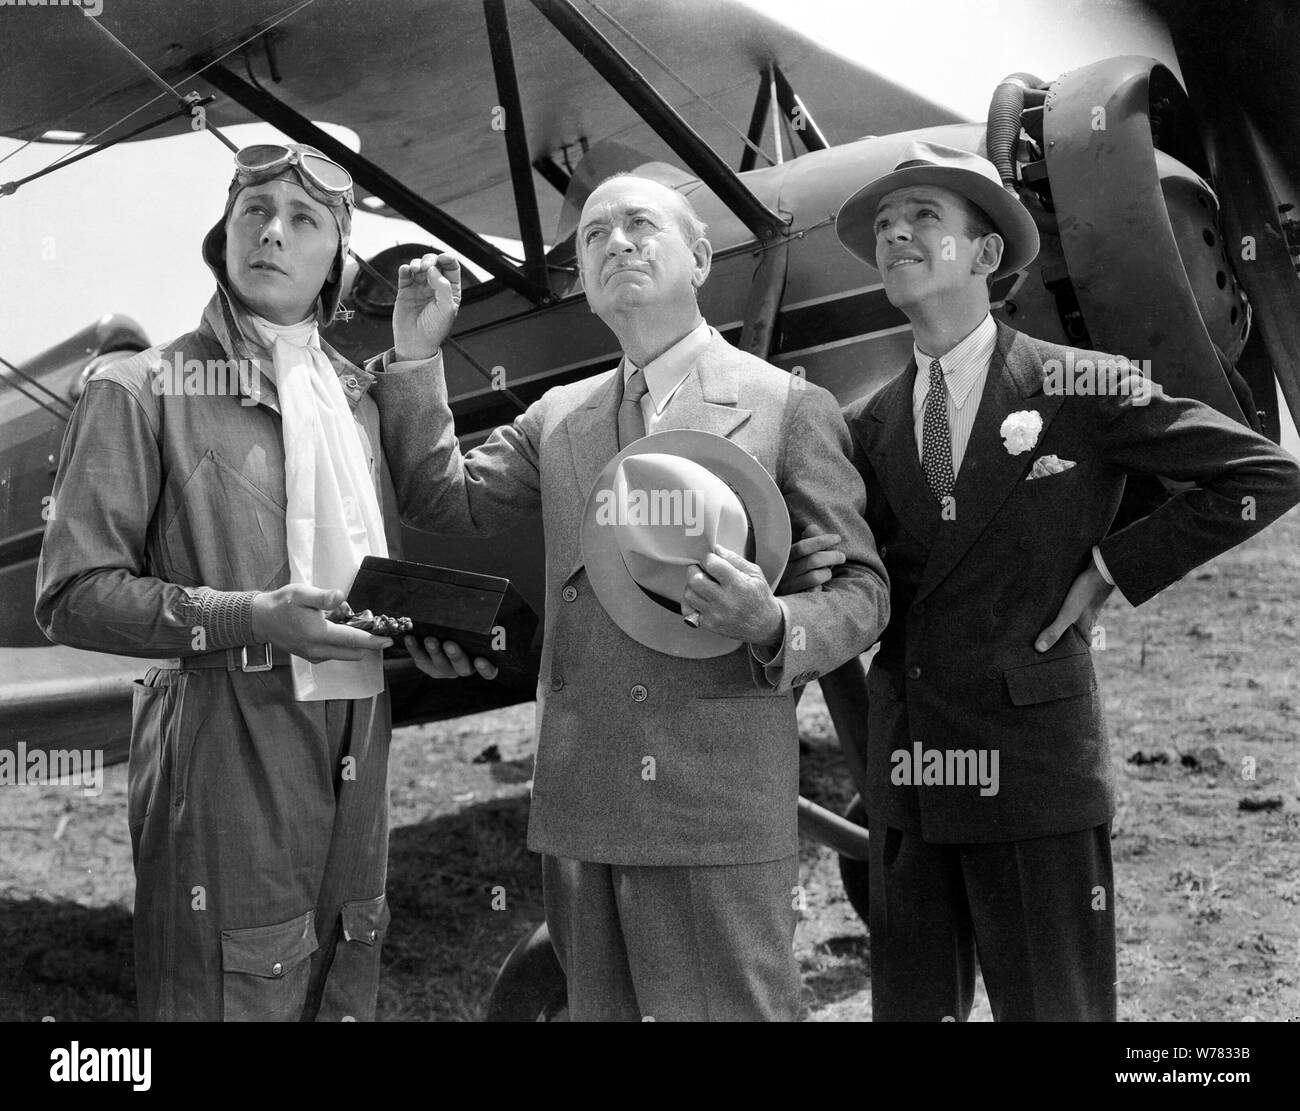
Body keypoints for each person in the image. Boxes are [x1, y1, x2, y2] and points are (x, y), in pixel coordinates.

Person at [369, 173, 890, 1020]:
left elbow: (865, 591)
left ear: (700, 256)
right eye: (594, 236)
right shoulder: (557, 417)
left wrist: (775, 622)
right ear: (582, 279)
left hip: (714, 805)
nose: (616, 242)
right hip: (581, 806)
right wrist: (417, 353)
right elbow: (444, 497)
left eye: (641, 224)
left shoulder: (790, 406)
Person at [803, 140, 1300, 1020]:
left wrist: (1112, 566)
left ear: (986, 254)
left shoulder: (1080, 384)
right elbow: (853, 572)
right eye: (884, 224)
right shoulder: (864, 426)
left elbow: (1266, 476)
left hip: (1032, 774)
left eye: (924, 217)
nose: (896, 236)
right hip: (910, 778)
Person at [35, 143, 490, 1021]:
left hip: (360, 728)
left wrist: (420, 639)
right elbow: (72, 593)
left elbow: (387, 556)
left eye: (303, 219)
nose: (273, 232)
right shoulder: (140, 389)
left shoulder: (353, 399)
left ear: (335, 265)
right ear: (224, 235)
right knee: (231, 986)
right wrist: (252, 617)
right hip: (220, 735)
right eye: (254, 212)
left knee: (345, 967)